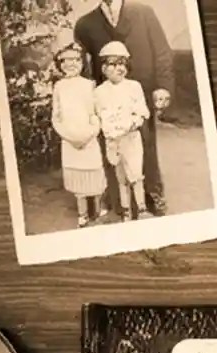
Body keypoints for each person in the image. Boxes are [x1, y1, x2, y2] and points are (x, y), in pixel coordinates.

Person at [74, 0, 175, 216]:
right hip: (107, 100)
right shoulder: (85, 24)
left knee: (144, 144)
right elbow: (83, 68)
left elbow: (162, 52)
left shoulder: (144, 13)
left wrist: (163, 87)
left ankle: (152, 195)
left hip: (141, 93)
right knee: (111, 147)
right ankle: (118, 200)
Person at [51, 43, 108, 228]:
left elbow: (95, 113)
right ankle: (82, 214)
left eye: (75, 60)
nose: (71, 64)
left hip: (89, 139)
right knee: (78, 181)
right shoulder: (59, 86)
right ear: (60, 64)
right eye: (66, 61)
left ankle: (97, 211)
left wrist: (90, 133)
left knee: (95, 175)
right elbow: (56, 116)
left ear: (82, 62)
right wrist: (68, 135)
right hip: (70, 140)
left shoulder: (89, 85)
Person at [94, 41, 151, 222]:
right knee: (121, 177)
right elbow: (99, 115)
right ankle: (126, 211)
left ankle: (141, 209)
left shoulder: (133, 87)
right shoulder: (99, 92)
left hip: (131, 137)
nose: (119, 68)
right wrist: (108, 129)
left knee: (136, 174)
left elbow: (143, 112)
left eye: (123, 64)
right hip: (113, 140)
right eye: (113, 64)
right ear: (104, 68)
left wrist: (132, 123)